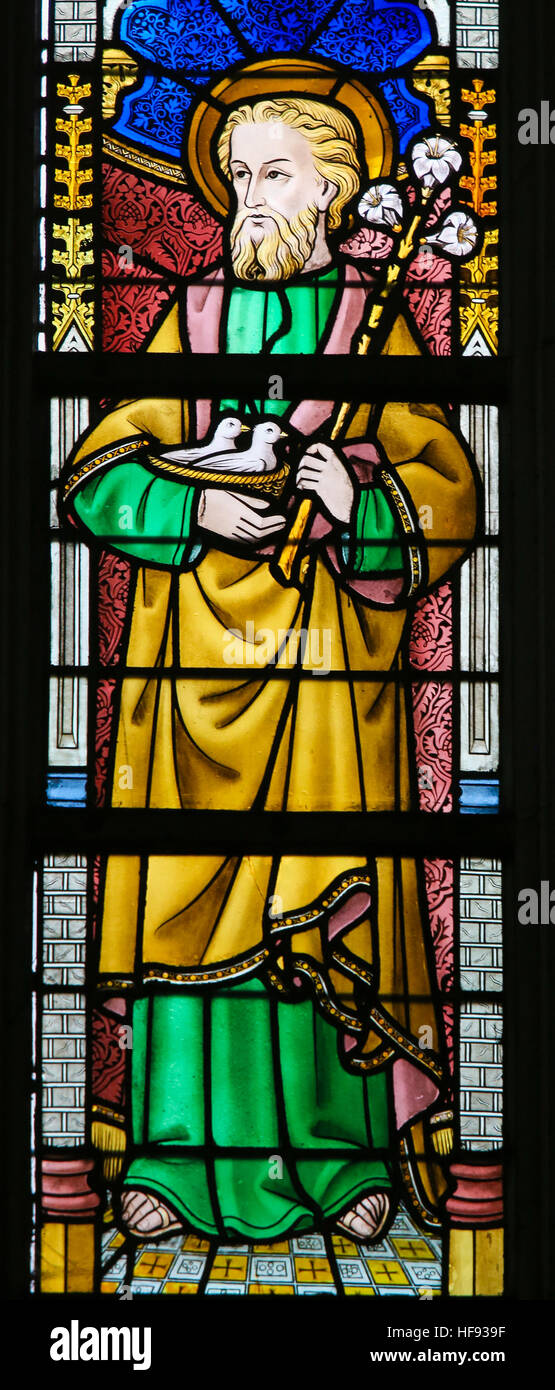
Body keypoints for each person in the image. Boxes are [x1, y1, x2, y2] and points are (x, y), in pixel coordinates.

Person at [62, 68, 477, 1244]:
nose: (250, 198)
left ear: (336, 189)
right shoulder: (190, 317)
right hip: (189, 681)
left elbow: (448, 485)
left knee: (323, 904)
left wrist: (355, 495)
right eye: (238, 176)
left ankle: (347, 1167)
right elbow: (94, 470)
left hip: (326, 683)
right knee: (189, 904)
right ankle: (174, 1165)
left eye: (275, 174)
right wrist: (198, 513)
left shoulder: (370, 320)